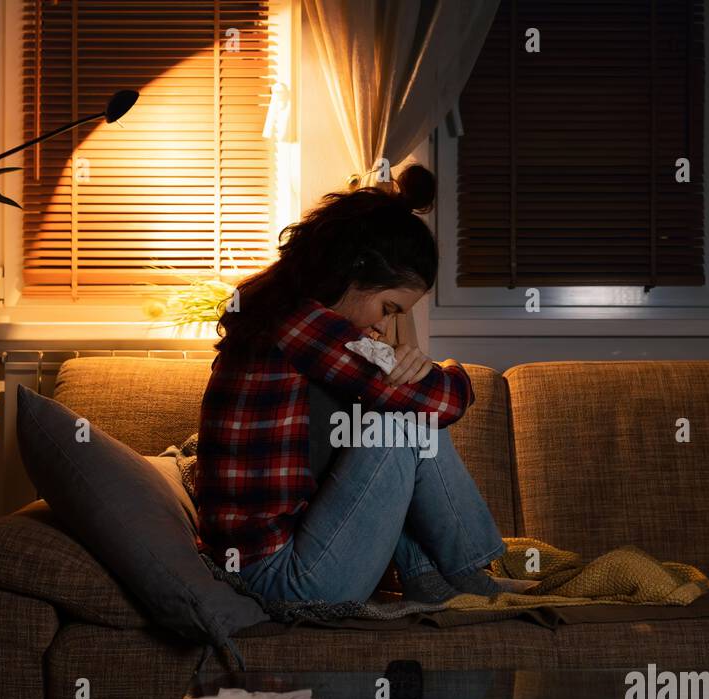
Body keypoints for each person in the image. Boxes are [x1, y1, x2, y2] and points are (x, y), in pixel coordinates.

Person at [196, 164, 505, 605]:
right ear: (355, 272)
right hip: (279, 580)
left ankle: (433, 576)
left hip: (272, 563)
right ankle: (471, 573)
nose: (383, 325)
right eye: (388, 307)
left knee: (382, 416)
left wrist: (409, 372)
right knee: (401, 425)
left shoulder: (283, 310)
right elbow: (444, 403)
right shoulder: (304, 326)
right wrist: (448, 371)